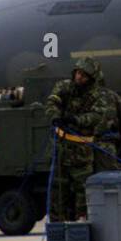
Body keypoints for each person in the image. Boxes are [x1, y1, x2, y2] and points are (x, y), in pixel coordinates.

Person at [44, 57, 114, 220]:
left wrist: (76, 120)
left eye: (84, 75)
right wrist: (55, 117)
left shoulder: (98, 96)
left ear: (91, 78)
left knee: (83, 197)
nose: (79, 77)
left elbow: (97, 115)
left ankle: (80, 232)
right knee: (58, 195)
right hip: (61, 150)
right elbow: (52, 101)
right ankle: (58, 234)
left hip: (82, 154)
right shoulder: (64, 86)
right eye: (78, 73)